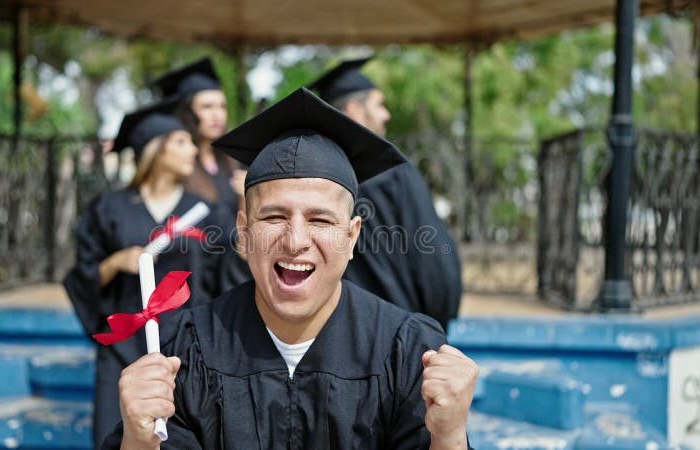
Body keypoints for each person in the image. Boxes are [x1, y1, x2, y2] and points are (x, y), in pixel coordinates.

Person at [101, 88, 477, 449]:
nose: (296, 240)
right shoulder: (184, 352)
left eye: (320, 221)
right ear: (244, 233)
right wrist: (138, 442)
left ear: (351, 237)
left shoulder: (408, 354)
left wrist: (449, 439)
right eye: (275, 216)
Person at [63, 97, 233, 448]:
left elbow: (224, 280)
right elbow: (83, 275)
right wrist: (114, 263)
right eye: (182, 141)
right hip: (123, 349)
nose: (193, 150)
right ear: (155, 150)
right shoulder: (109, 209)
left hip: (187, 352)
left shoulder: (206, 212)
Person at [308, 56, 462, 331]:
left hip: (335, 334)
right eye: (379, 105)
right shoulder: (392, 172)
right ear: (355, 109)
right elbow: (435, 266)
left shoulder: (312, 174)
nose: (386, 114)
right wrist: (437, 321)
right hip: (398, 331)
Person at [151, 57, 244, 212]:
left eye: (222, 106)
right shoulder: (179, 165)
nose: (217, 114)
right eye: (207, 107)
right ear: (188, 113)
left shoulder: (233, 161)